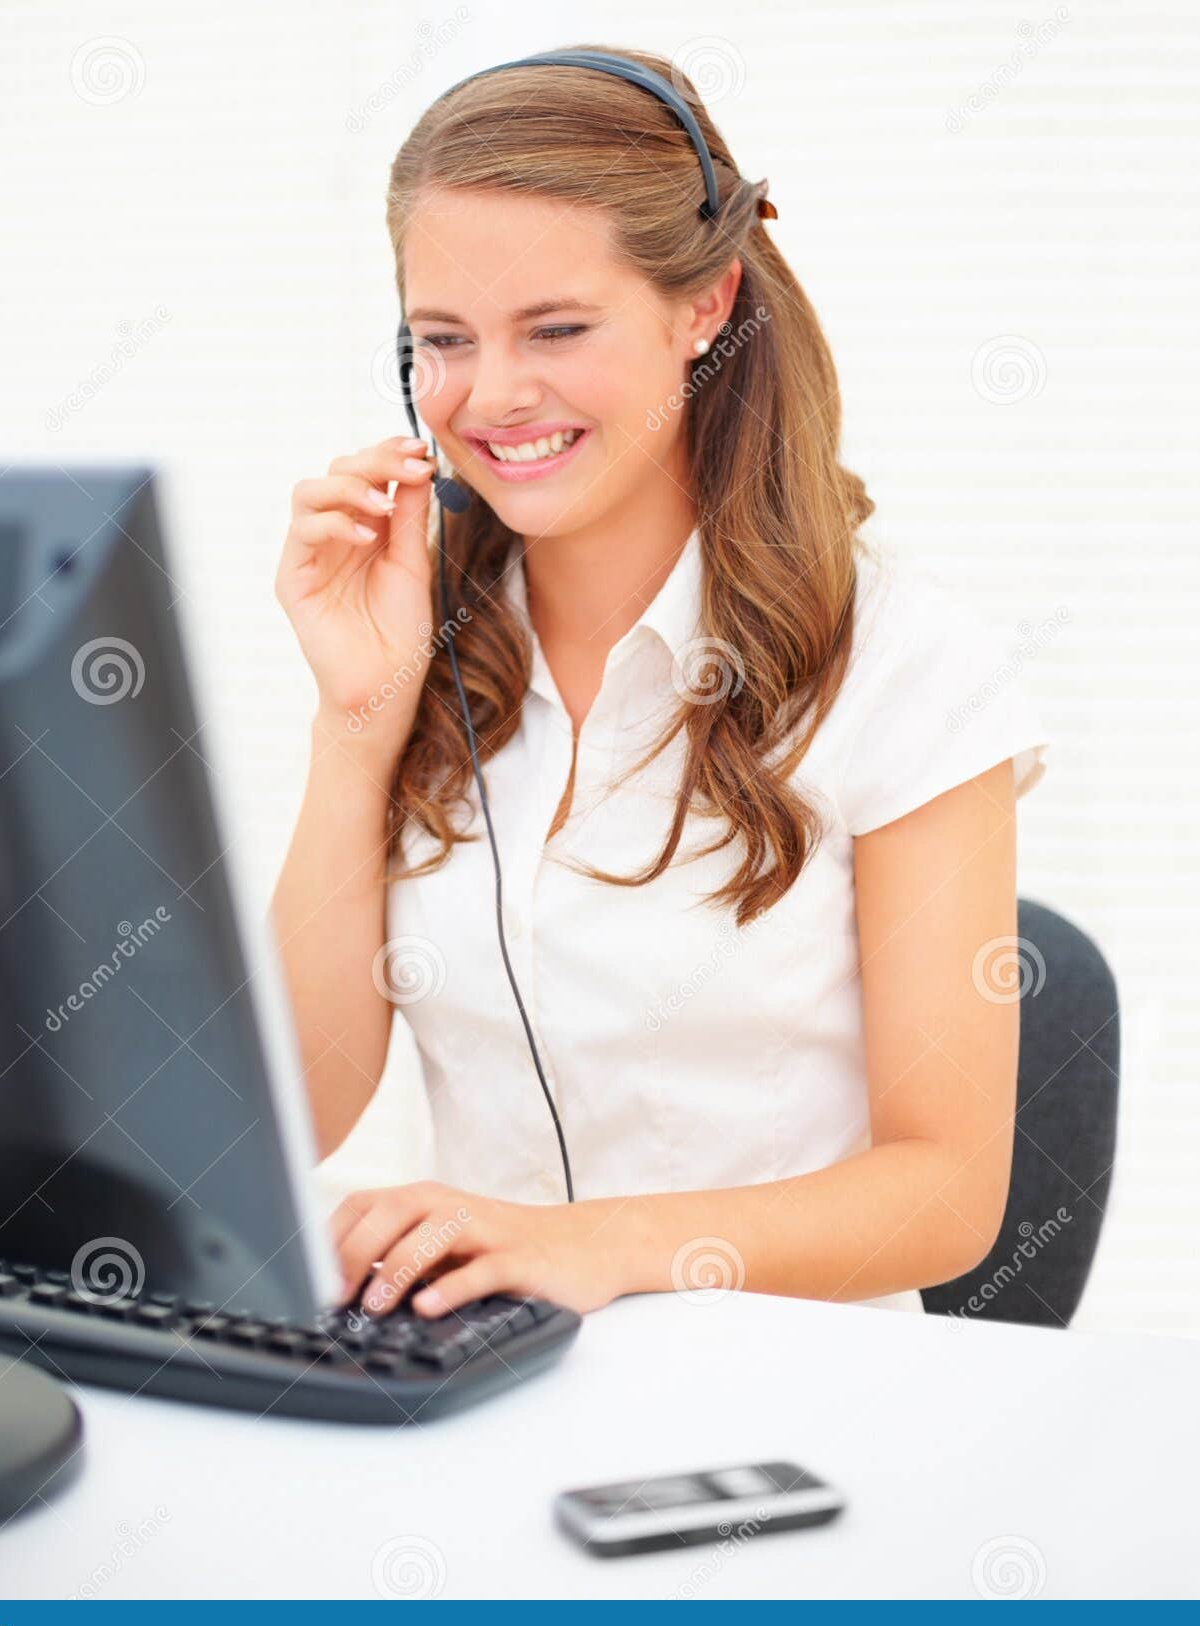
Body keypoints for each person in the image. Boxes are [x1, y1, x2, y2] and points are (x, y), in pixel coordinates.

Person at [270, 46, 1048, 1321]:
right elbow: (297, 1105)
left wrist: (592, 1245)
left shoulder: (907, 666)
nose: (494, 394)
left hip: (790, 1419)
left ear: (703, 307)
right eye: (442, 340)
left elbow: (946, 1195)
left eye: (557, 328)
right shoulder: (431, 647)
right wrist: (355, 721)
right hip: (480, 1386)